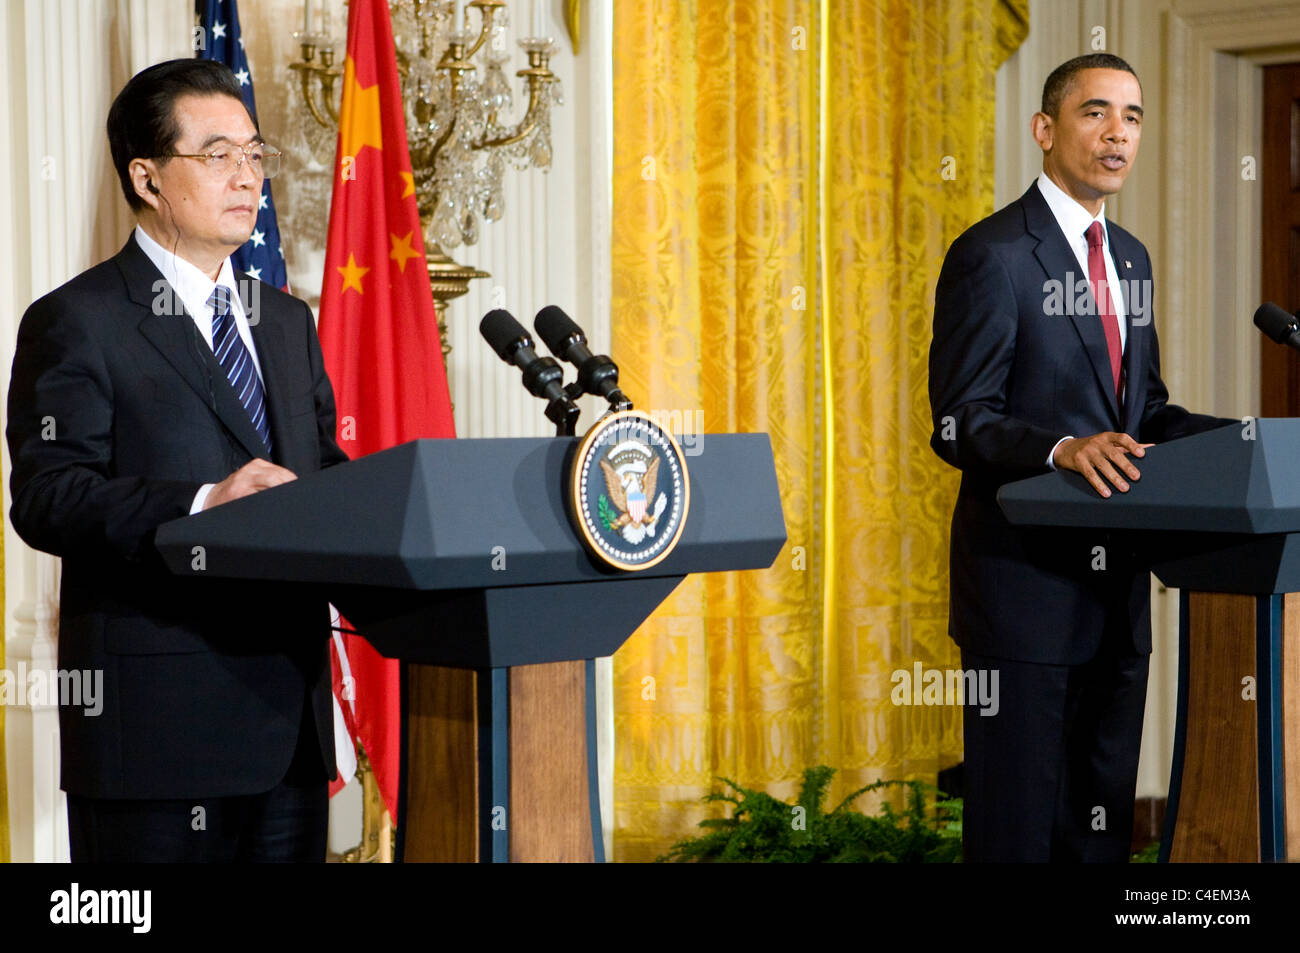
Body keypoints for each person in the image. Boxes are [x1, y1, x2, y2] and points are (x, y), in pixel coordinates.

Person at [6, 59, 349, 861]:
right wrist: (200, 503)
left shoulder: (286, 323)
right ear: (148, 176)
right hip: (156, 737)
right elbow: (49, 494)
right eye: (218, 154)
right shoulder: (77, 320)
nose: (247, 177)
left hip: (289, 732)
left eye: (256, 154)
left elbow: (322, 471)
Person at [928, 53, 1230, 862]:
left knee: (1098, 832)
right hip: (1024, 595)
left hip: (1116, 595)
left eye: (1132, 117)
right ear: (1045, 129)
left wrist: (1244, 439)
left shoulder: (1130, 257)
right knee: (1020, 831)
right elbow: (960, 421)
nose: (1118, 134)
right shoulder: (992, 256)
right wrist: (1062, 448)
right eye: (1096, 113)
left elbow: (1146, 413)